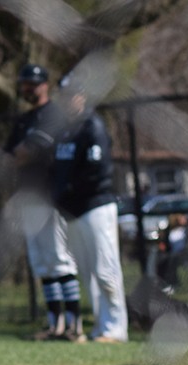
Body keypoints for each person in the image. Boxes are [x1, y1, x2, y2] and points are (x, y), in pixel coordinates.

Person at [3, 63, 84, 342]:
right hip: (28, 197)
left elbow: (25, 153)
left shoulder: (53, 114)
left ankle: (75, 325)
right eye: (25, 83)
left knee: (60, 259)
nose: (28, 88)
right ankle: (55, 325)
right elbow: (11, 156)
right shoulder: (24, 119)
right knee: (42, 263)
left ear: (44, 85)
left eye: (33, 83)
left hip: (49, 197)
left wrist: (24, 152)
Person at [52, 71, 129, 343]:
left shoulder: (92, 126)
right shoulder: (64, 130)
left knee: (106, 269)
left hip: (95, 206)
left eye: (71, 95)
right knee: (88, 272)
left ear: (82, 97)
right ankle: (100, 327)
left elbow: (97, 171)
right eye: (63, 96)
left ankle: (115, 329)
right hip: (72, 210)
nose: (67, 100)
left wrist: (68, 191)